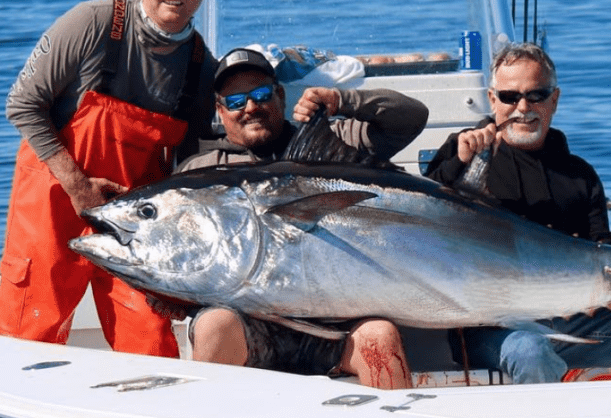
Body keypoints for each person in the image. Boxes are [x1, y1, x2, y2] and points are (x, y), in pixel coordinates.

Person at [0, 0, 218, 357]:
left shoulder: (201, 66)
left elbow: (191, 160)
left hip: (134, 219)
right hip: (53, 204)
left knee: (153, 339)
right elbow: (22, 105)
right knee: (30, 338)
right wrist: (78, 187)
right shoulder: (92, 22)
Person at [426, 41, 611, 384]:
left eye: (536, 95)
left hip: (573, 319)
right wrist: (458, 164)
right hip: (493, 327)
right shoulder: (464, 155)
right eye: (510, 97)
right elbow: (421, 222)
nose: (522, 107)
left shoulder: (580, 175)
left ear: (554, 100)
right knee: (531, 350)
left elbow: (606, 265)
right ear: (493, 100)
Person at [175, 47, 430, 389]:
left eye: (261, 94)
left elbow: (411, 117)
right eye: (235, 101)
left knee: (379, 336)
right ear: (220, 112)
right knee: (214, 325)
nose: (250, 107)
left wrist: (341, 100)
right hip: (251, 326)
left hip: (334, 325)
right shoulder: (200, 173)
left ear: (280, 96)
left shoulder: (333, 146)